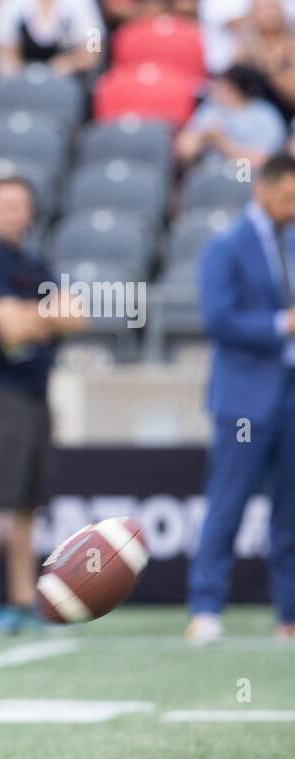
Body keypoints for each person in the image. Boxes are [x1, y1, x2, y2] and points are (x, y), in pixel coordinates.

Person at [0, 177, 88, 634]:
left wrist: (33, 319)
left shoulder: (34, 262)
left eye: (21, 205)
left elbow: (77, 317)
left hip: (37, 392)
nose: (14, 213)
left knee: (25, 503)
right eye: (5, 205)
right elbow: (10, 328)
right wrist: (45, 319)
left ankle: (20, 598)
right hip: (1, 392)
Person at [188, 151, 295, 645]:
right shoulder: (227, 244)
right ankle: (206, 608)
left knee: (290, 511)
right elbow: (218, 319)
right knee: (226, 504)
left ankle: (288, 615)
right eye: (287, 197)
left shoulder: (291, 238)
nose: (292, 206)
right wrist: (281, 324)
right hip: (244, 399)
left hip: (289, 394)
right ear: (263, 190)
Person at [175, 65, 288, 168]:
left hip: (244, 176)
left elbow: (265, 162)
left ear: (237, 90)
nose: (217, 89)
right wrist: (203, 137)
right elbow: (184, 150)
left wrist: (224, 143)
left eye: (225, 86)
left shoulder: (265, 115)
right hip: (209, 174)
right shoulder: (211, 109)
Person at [0, 0, 105, 77]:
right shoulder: (12, 4)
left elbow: (94, 47)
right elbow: (4, 51)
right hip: (23, 81)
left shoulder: (83, 4)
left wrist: (70, 63)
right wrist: (19, 70)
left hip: (69, 81)